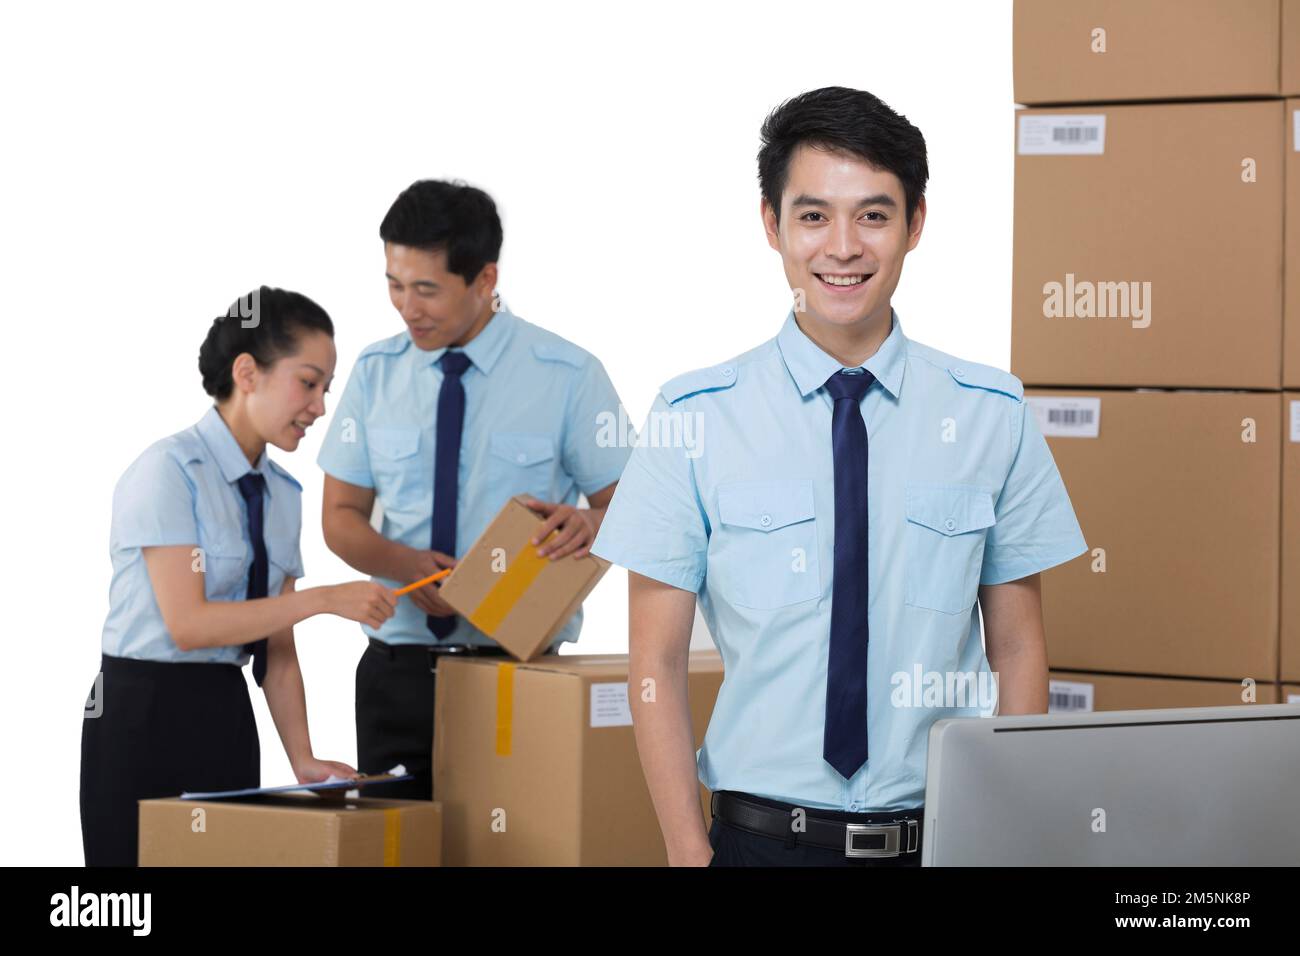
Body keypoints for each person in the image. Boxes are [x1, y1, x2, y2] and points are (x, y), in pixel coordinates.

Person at [590, 87, 1088, 866]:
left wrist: (997, 837)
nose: (844, 247)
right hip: (759, 844)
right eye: (814, 215)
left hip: (941, 840)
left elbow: (1018, 650)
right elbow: (653, 664)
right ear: (772, 225)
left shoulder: (992, 414)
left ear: (916, 224)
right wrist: (689, 852)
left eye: (875, 215)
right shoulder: (694, 417)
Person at [318, 180, 632, 800]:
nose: (407, 307)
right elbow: (339, 517)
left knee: (515, 848)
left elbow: (637, 509)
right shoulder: (374, 373)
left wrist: (591, 525)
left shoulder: (569, 375)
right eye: (394, 284)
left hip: (519, 671)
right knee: (396, 848)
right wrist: (405, 564)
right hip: (396, 675)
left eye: (427, 289)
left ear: (486, 279)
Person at [80, 286, 398, 866]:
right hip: (139, 713)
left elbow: (277, 652)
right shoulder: (167, 473)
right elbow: (190, 624)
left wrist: (303, 759)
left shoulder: (283, 495)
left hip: (225, 714)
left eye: (327, 388)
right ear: (247, 372)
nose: (320, 406)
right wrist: (325, 598)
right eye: (308, 382)